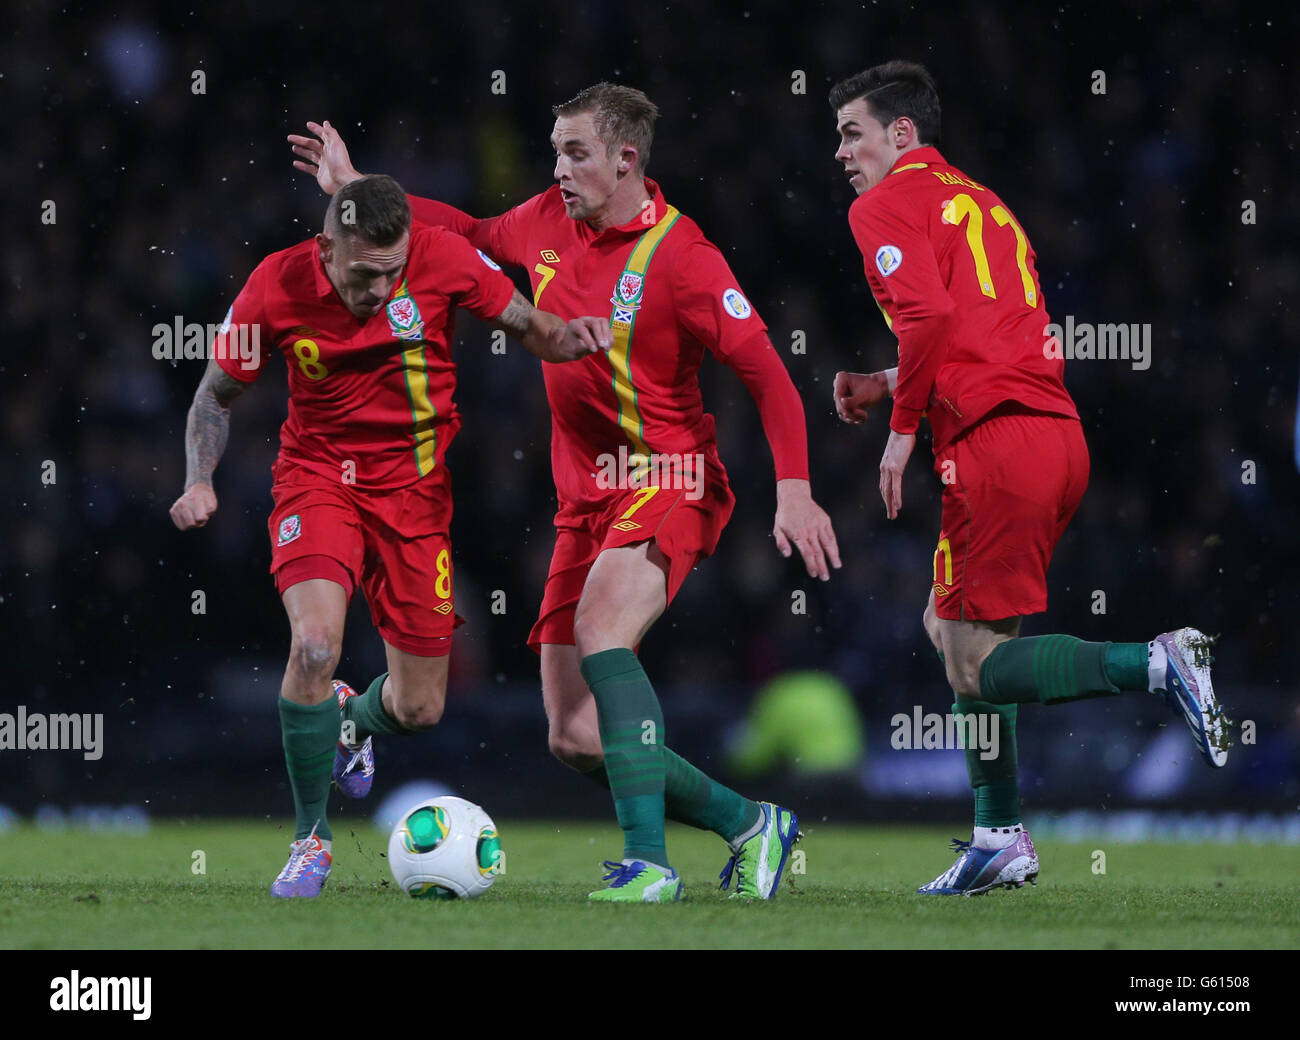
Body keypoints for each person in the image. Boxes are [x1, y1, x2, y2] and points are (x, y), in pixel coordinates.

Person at [289, 85, 840, 902]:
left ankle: (650, 866)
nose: (558, 168)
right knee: (576, 736)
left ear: (626, 159)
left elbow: (769, 376)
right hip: (584, 502)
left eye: (575, 153)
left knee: (602, 630)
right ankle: (752, 824)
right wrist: (354, 186)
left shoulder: (686, 257)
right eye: (554, 150)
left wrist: (794, 490)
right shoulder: (548, 218)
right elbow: (466, 234)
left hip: (669, 478)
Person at [828, 60, 1231, 895]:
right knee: (954, 633)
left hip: (993, 445)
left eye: (851, 132)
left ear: (902, 135)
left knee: (974, 662)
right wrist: (886, 384)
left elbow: (934, 318)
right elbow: (975, 329)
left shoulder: (882, 204)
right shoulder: (983, 201)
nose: (841, 151)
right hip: (1051, 434)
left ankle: (1158, 664)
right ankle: (998, 834)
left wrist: (901, 433)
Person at [170, 173, 609, 898]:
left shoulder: (443, 258)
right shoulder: (275, 284)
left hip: (415, 497)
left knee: (419, 708)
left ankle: (348, 718)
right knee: (314, 645)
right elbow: (214, 394)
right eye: (364, 274)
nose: (379, 289)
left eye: (393, 272)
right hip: (317, 481)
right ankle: (311, 840)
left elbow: (535, 328)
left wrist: (578, 338)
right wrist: (198, 479)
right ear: (325, 248)